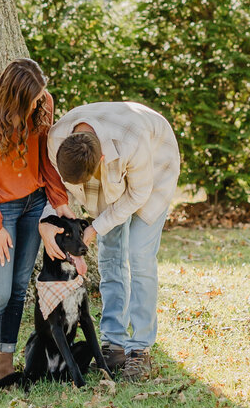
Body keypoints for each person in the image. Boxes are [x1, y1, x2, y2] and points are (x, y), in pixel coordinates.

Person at [47, 101, 179, 382]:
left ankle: (140, 349)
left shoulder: (133, 142)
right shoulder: (56, 138)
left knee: (139, 256)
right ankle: (113, 344)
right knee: (110, 257)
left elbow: (138, 194)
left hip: (153, 169)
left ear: (102, 160)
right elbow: (53, 184)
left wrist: (96, 227)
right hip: (110, 172)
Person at [0, 58, 71, 406]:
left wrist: (59, 201)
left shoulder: (42, 102)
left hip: (33, 205)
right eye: (31, 98)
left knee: (17, 291)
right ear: (13, 93)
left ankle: (4, 368)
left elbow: (45, 160)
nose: (37, 104)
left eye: (40, 97)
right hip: (2, 211)